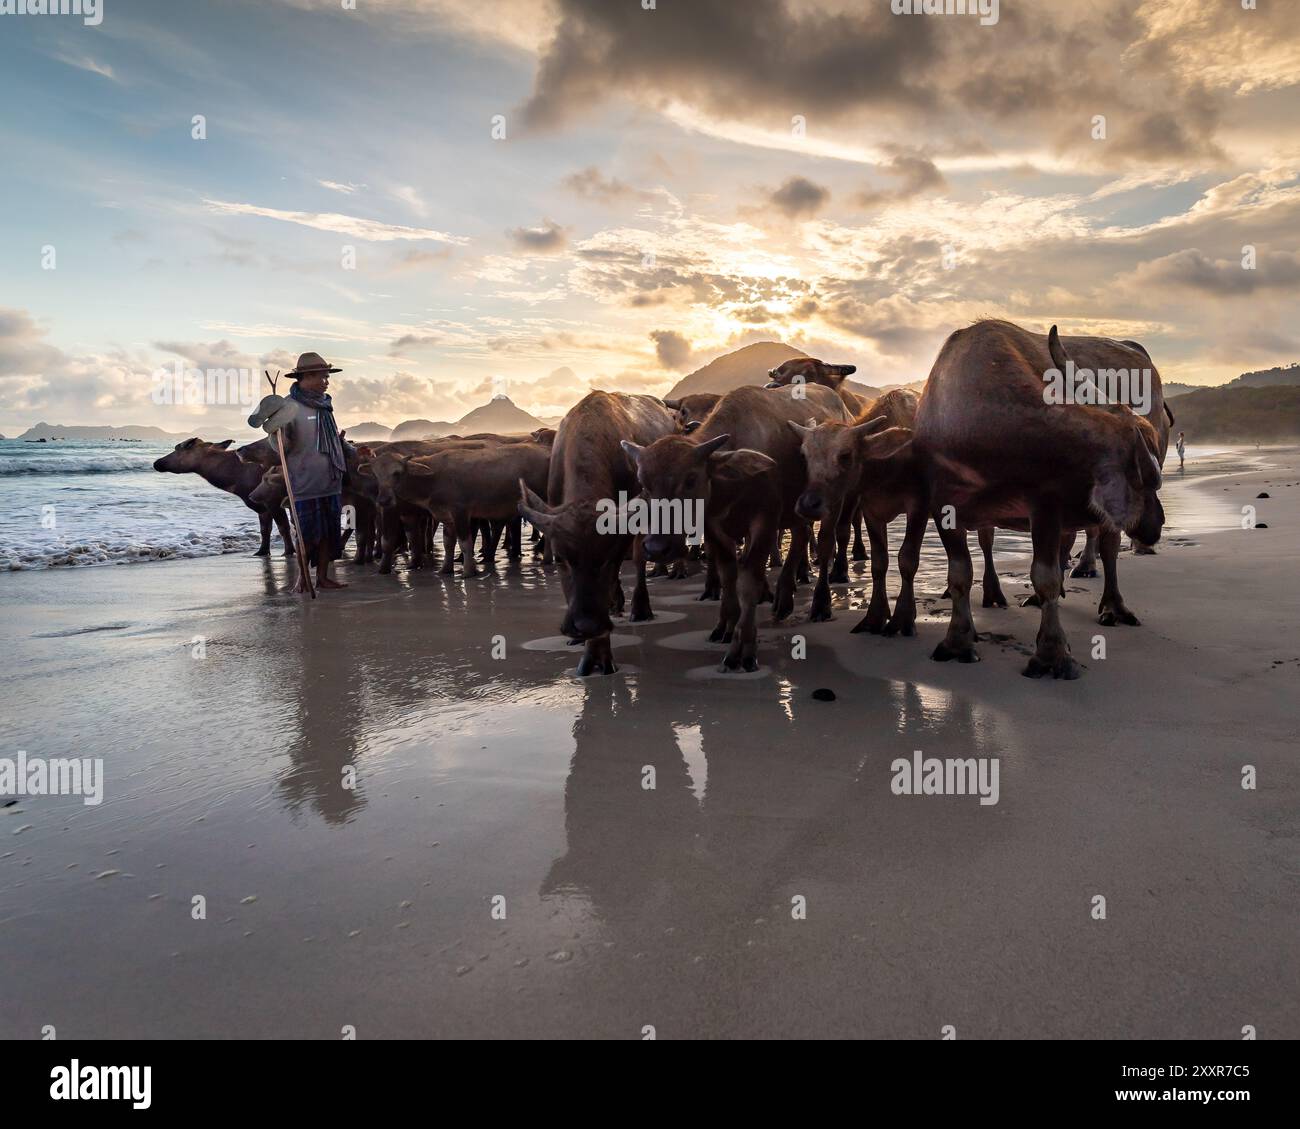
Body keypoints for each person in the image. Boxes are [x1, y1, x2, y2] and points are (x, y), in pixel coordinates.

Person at [248, 352, 351, 593]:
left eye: (327, 377)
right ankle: (302, 578)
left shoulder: (325, 406)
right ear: (305, 377)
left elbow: (332, 439)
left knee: (328, 532)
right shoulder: (288, 407)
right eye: (322, 377)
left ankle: (323, 577)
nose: (326, 382)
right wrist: (278, 435)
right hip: (304, 481)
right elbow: (282, 445)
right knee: (306, 533)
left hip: (330, 478)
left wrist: (349, 448)